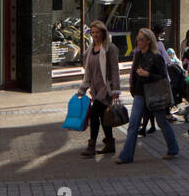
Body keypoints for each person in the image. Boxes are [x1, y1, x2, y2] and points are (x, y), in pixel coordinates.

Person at [115, 28, 179, 163]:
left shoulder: (156, 57)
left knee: (162, 122)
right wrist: (132, 87)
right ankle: (126, 155)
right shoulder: (138, 55)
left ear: (149, 41)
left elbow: (162, 76)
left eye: (141, 39)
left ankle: (173, 148)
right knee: (133, 124)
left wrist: (148, 74)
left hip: (154, 94)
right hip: (139, 93)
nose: (138, 42)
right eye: (137, 39)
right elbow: (133, 72)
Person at [76, 20, 121, 156]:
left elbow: (114, 70)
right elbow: (88, 72)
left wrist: (115, 90)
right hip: (95, 89)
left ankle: (92, 145)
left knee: (94, 114)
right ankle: (110, 143)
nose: (95, 35)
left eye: (97, 32)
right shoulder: (90, 49)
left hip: (106, 89)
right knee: (103, 116)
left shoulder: (110, 48)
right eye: (92, 32)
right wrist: (83, 88)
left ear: (103, 33)